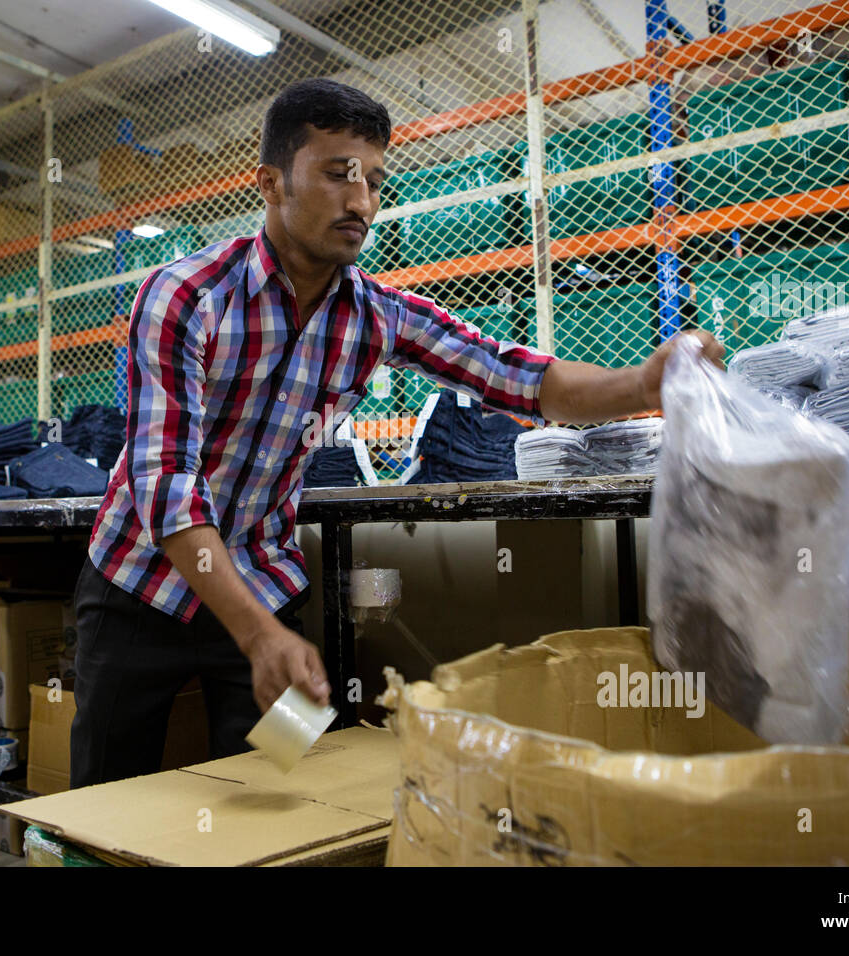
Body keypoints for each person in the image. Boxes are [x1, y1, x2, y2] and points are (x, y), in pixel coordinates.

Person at [71, 78, 724, 786]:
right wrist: (258, 636)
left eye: (375, 182)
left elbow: (521, 379)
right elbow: (167, 489)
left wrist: (642, 385)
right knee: (100, 796)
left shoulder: (380, 315)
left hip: (268, 587)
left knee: (278, 789)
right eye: (337, 175)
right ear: (270, 182)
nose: (362, 203)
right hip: (138, 586)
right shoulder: (182, 296)